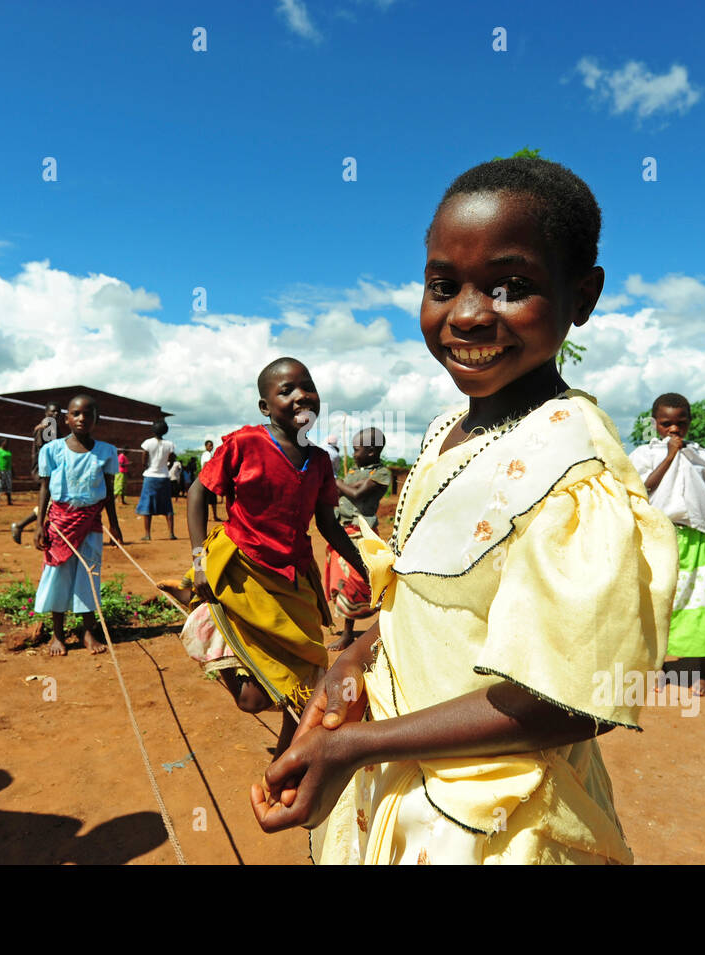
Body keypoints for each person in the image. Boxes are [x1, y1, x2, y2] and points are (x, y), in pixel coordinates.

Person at [250, 158, 676, 865]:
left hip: (495, 819)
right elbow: (435, 600)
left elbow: (568, 698)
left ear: (584, 293)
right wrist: (357, 657)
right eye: (444, 285)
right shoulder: (446, 431)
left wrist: (355, 745)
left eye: (513, 286)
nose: (471, 312)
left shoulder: (575, 467)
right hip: (405, 777)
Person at [168, 357, 371, 757]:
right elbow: (198, 493)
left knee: (304, 679)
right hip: (239, 574)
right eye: (286, 390)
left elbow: (328, 526)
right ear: (265, 407)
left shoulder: (320, 463)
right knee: (251, 700)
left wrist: (366, 566)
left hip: (294, 584)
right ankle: (208, 616)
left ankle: (287, 753)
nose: (301, 396)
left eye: (307, 386)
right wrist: (198, 560)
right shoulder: (244, 443)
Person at [629, 393, 705, 697]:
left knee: (699, 602)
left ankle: (703, 672)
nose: (674, 430)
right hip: (657, 536)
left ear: (689, 423)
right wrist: (669, 456)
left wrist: (681, 454)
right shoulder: (643, 455)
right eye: (666, 424)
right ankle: (656, 667)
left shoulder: (701, 456)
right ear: (655, 424)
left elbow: (701, 489)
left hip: (694, 537)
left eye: (681, 424)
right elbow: (641, 490)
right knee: (656, 602)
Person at [32, 395, 123, 656]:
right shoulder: (51, 450)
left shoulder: (106, 451)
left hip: (91, 522)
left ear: (97, 418)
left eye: (88, 414)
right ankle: (58, 634)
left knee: (89, 575)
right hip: (59, 524)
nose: (82, 418)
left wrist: (114, 525)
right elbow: (45, 488)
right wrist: (40, 525)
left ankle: (87, 632)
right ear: (66, 418)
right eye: (76, 413)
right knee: (57, 576)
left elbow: (107, 492)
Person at [323, 427, 391, 651]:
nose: (353, 453)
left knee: (365, 580)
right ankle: (348, 633)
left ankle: (386, 626)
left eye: (356, 449)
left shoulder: (381, 473)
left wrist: (335, 481)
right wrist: (344, 485)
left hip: (363, 535)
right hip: (343, 532)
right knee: (345, 585)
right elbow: (346, 490)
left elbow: (357, 494)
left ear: (372, 451)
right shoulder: (353, 473)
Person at [11, 402, 62, 544]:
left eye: (58, 411)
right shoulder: (46, 428)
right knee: (51, 502)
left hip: (52, 471)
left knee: (53, 502)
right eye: (53, 412)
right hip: (45, 471)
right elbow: (47, 451)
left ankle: (21, 526)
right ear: (46, 413)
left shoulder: (53, 427)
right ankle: (21, 525)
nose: (56, 414)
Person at [137, 420, 177, 540]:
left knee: (147, 505)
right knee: (167, 505)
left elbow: (144, 457)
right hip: (164, 477)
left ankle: (147, 534)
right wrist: (167, 467)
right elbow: (172, 458)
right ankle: (171, 533)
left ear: (153, 430)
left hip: (150, 477)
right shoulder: (169, 444)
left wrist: (147, 466)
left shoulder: (148, 443)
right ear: (166, 431)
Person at [200, 439, 222, 521]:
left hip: (207, 478)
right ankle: (213, 516)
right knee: (210, 499)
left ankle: (213, 516)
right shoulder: (207, 454)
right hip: (208, 479)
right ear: (206, 446)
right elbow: (206, 464)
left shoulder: (207, 454)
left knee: (210, 499)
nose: (211, 447)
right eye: (210, 445)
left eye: (212, 445)